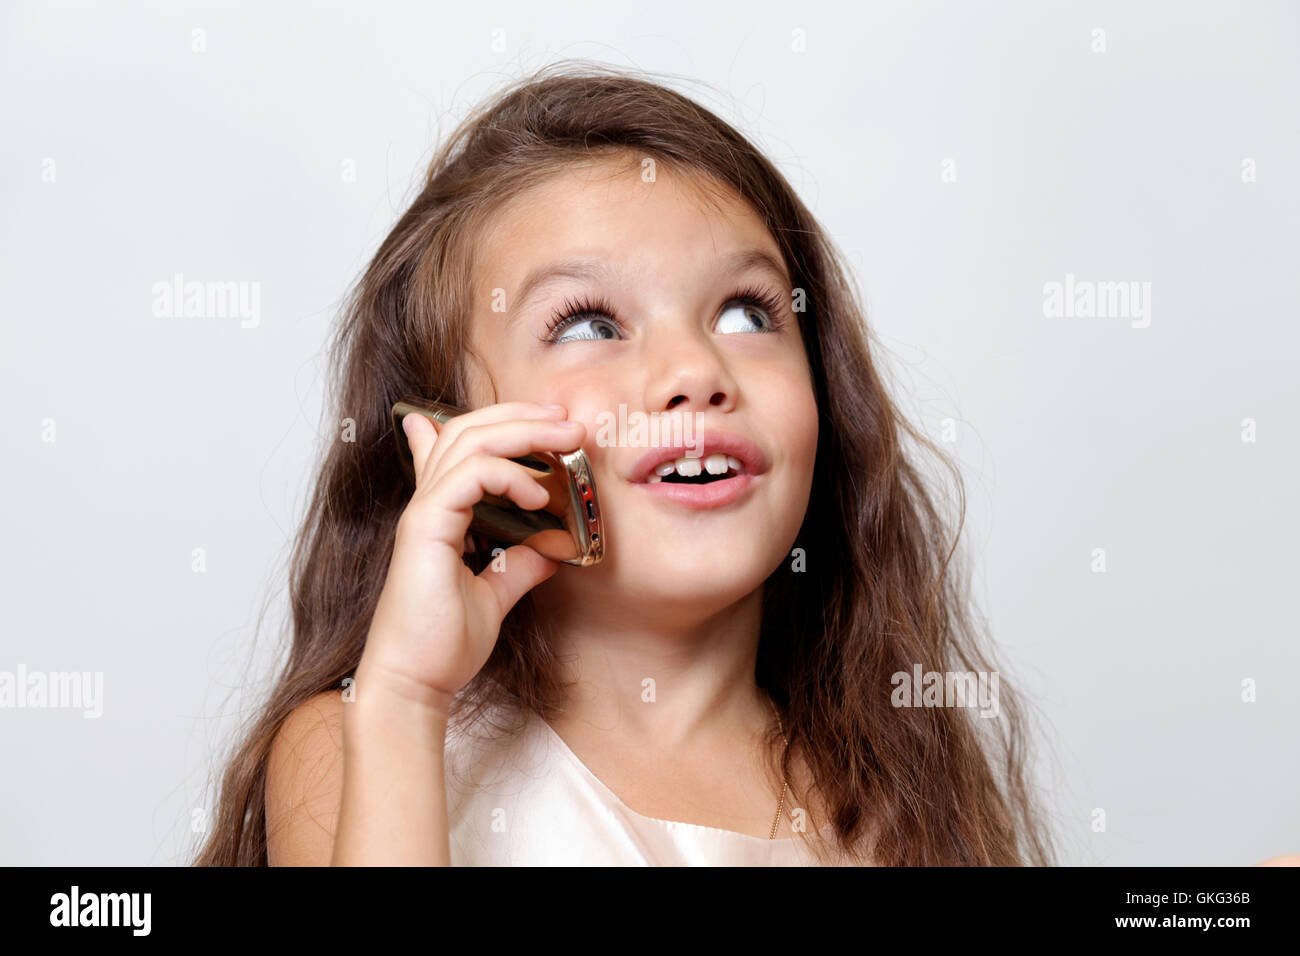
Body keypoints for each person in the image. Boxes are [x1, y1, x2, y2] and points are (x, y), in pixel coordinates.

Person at [193, 62, 1057, 867]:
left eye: (749, 313)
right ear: (449, 433)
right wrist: (407, 698)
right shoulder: (367, 742)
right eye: (589, 326)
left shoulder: (895, 809)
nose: (695, 374)